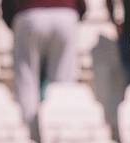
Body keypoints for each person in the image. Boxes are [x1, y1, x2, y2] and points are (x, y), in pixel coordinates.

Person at [5, 0, 84, 132]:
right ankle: (61, 129)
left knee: (27, 79)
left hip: (29, 13)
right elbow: (82, 5)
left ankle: (30, 131)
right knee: (63, 81)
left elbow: (7, 5)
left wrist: (12, 22)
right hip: (66, 13)